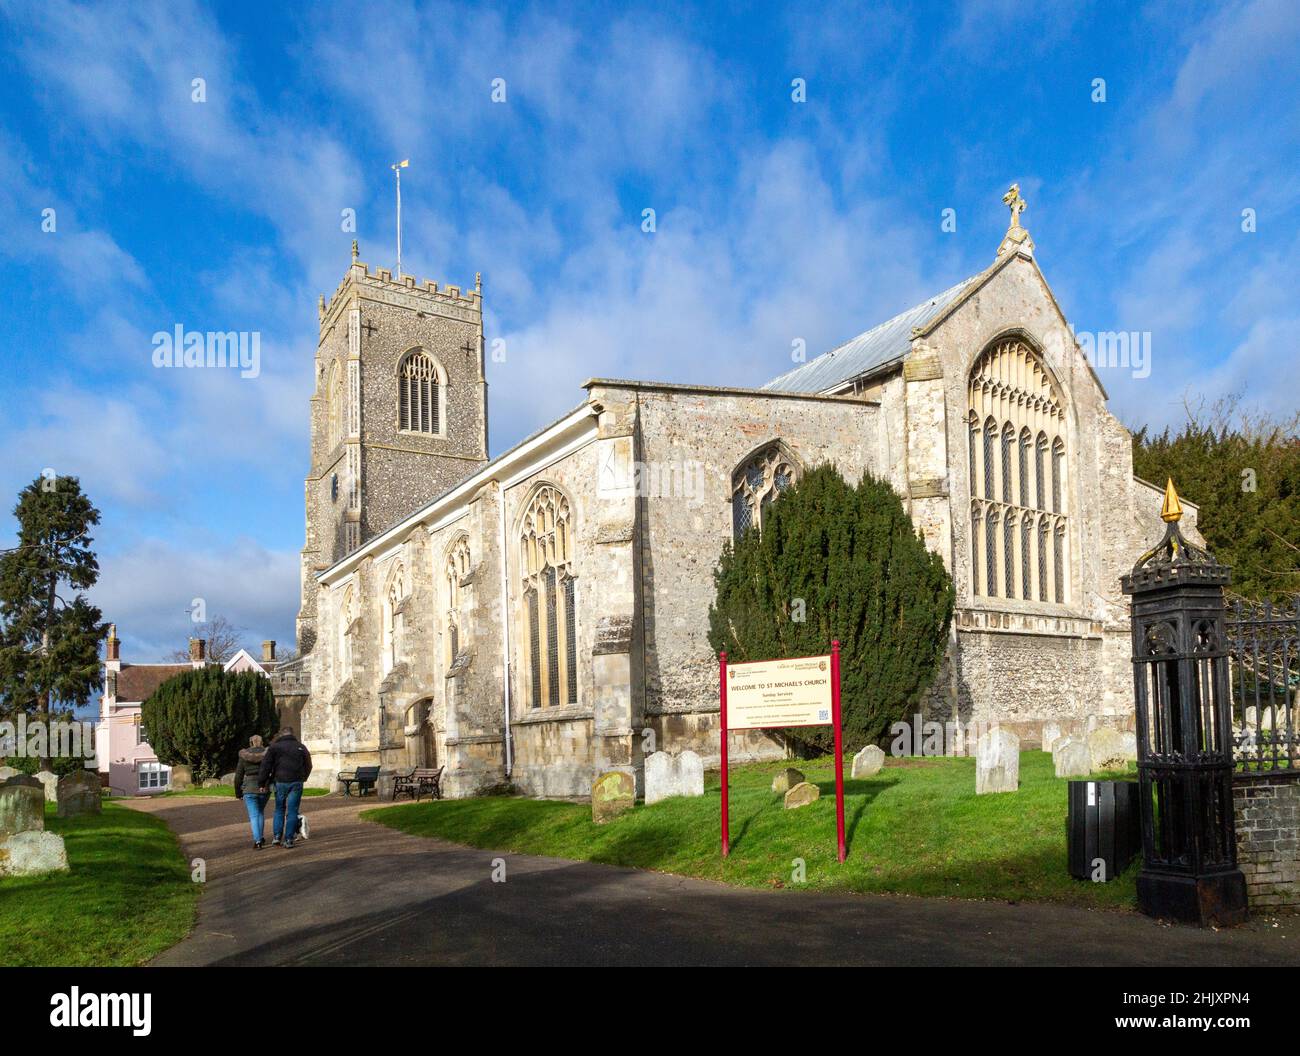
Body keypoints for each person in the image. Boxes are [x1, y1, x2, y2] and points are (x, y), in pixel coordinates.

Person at [257, 727, 313, 849]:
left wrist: (262, 783)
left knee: (279, 809)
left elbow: (266, 766)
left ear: (281, 735)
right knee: (293, 810)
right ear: (292, 734)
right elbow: (309, 764)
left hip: (280, 781)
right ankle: (289, 839)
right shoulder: (301, 747)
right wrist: (304, 777)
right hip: (296, 782)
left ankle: (277, 837)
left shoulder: (274, 748)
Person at [234, 735, 269, 849]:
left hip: (249, 788)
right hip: (264, 787)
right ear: (262, 742)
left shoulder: (244, 755)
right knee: (260, 812)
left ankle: (258, 841)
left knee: (254, 815)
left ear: (250, 743)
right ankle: (261, 837)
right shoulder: (267, 752)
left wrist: (238, 793)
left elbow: (238, 775)